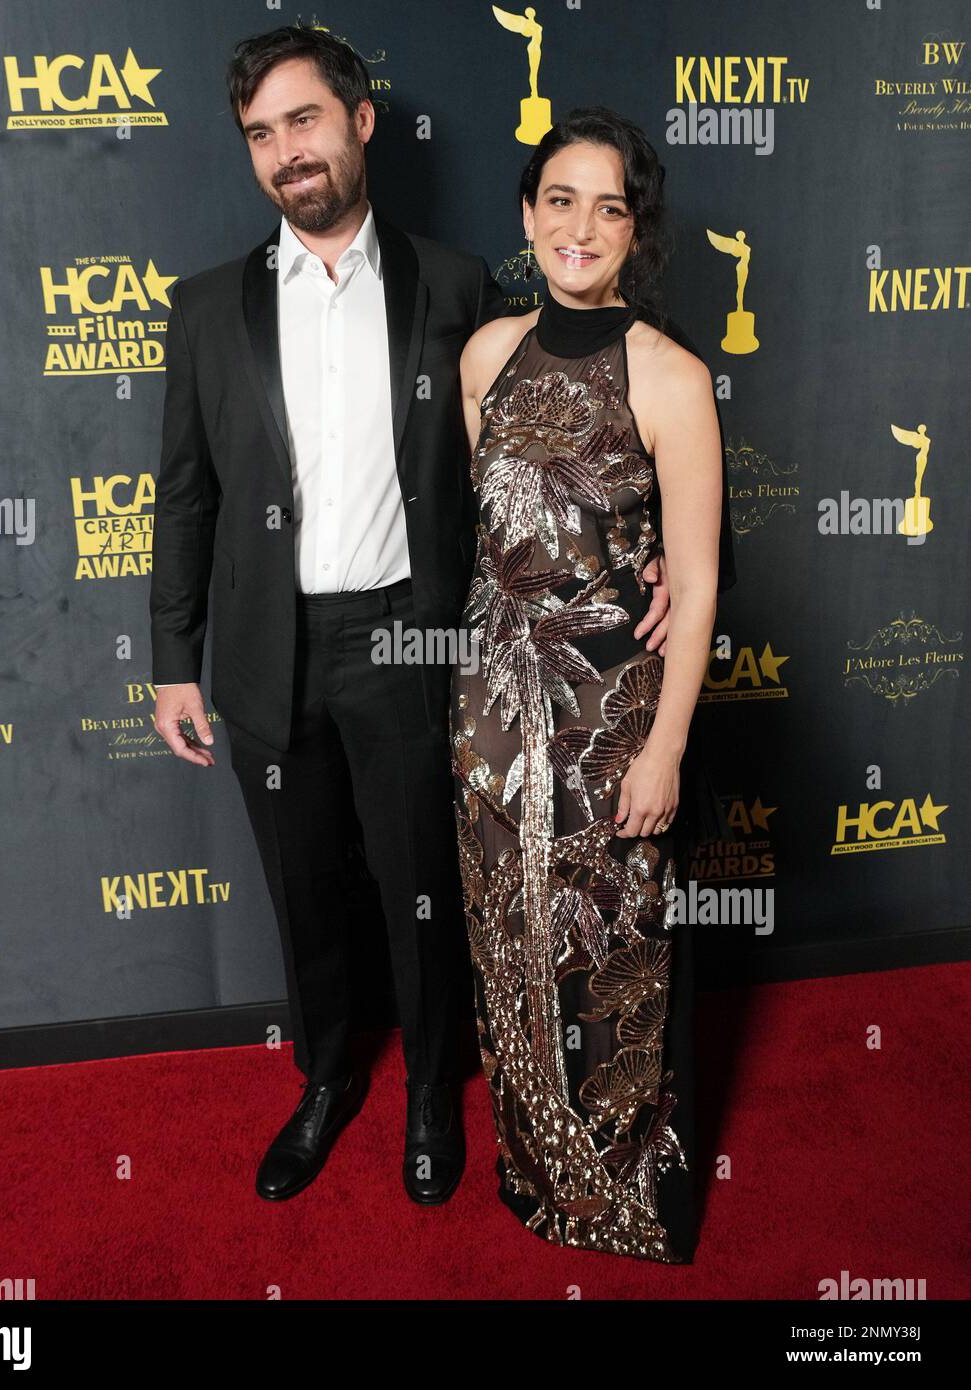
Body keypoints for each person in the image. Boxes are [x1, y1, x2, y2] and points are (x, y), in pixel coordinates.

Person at [149, 27, 691, 1210]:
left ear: (359, 122)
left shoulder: (454, 288)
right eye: (261, 134)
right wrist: (170, 660)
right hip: (262, 649)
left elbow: (550, 438)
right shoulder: (202, 310)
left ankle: (435, 1093)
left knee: (419, 889)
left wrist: (667, 562)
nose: (287, 151)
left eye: (304, 120)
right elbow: (183, 494)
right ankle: (326, 1077)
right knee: (305, 894)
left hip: (412, 641)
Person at [450, 107, 725, 1261]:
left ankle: (616, 1192)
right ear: (527, 214)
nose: (580, 226)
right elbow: (495, 538)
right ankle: (532, 1165)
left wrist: (661, 748)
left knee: (608, 950)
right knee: (504, 945)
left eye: (608, 205)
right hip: (489, 709)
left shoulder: (668, 375)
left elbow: (698, 582)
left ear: (634, 228)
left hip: (608, 712)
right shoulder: (485, 354)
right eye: (559, 200)